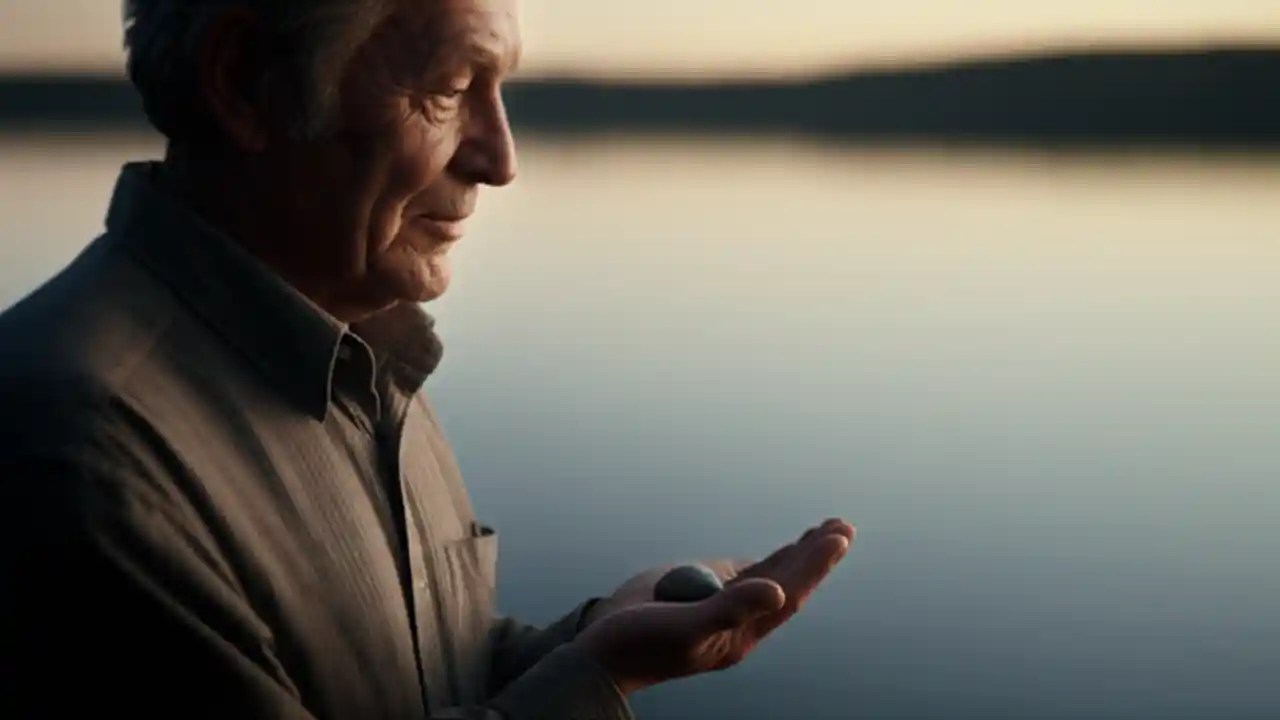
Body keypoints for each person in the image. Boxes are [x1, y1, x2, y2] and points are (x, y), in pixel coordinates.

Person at [0, 0, 856, 717]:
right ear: (244, 84)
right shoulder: (77, 451)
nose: (501, 158)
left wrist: (595, 636)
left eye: (499, 90)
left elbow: (428, 670)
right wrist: (596, 681)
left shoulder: (363, 353)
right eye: (450, 90)